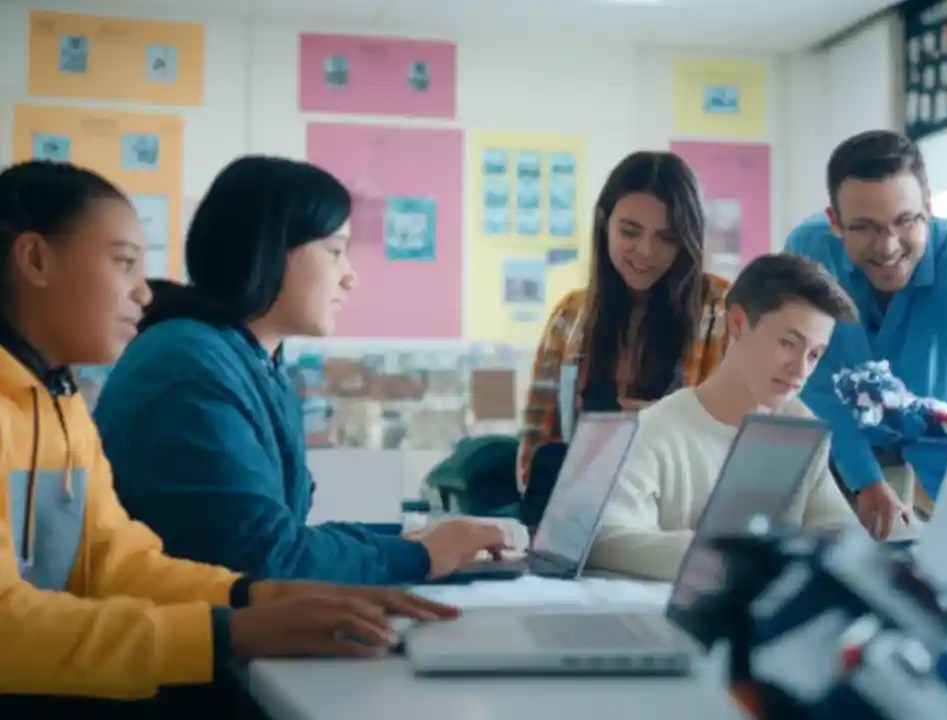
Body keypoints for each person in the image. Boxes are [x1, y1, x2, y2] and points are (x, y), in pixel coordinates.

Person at [0, 160, 456, 710]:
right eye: (123, 264)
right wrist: (228, 630)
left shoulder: (57, 400)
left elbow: (115, 562)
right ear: (36, 260)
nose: (144, 294)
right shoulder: (184, 362)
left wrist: (249, 595)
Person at [92, 156, 506, 585]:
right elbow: (266, 559)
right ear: (268, 250)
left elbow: (281, 537)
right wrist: (418, 555)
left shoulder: (251, 359)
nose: (350, 278)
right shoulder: (188, 365)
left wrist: (415, 541)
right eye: (335, 252)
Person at [784, 130, 947, 539]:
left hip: (939, 439)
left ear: (928, 206)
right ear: (835, 222)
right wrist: (865, 480)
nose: (888, 246)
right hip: (836, 442)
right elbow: (814, 378)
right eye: (864, 227)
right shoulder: (810, 252)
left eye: (904, 221)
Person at [588, 253, 860, 581]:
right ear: (737, 324)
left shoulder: (800, 426)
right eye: (789, 343)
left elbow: (842, 539)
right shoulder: (657, 430)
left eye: (815, 354)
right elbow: (605, 539)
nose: (801, 369)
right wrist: (731, 559)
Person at [517, 151, 730, 517]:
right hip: (576, 518)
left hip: (674, 519)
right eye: (630, 232)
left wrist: (650, 423)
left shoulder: (721, 310)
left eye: (667, 237)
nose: (645, 251)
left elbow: (727, 438)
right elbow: (537, 446)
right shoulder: (571, 316)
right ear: (604, 225)